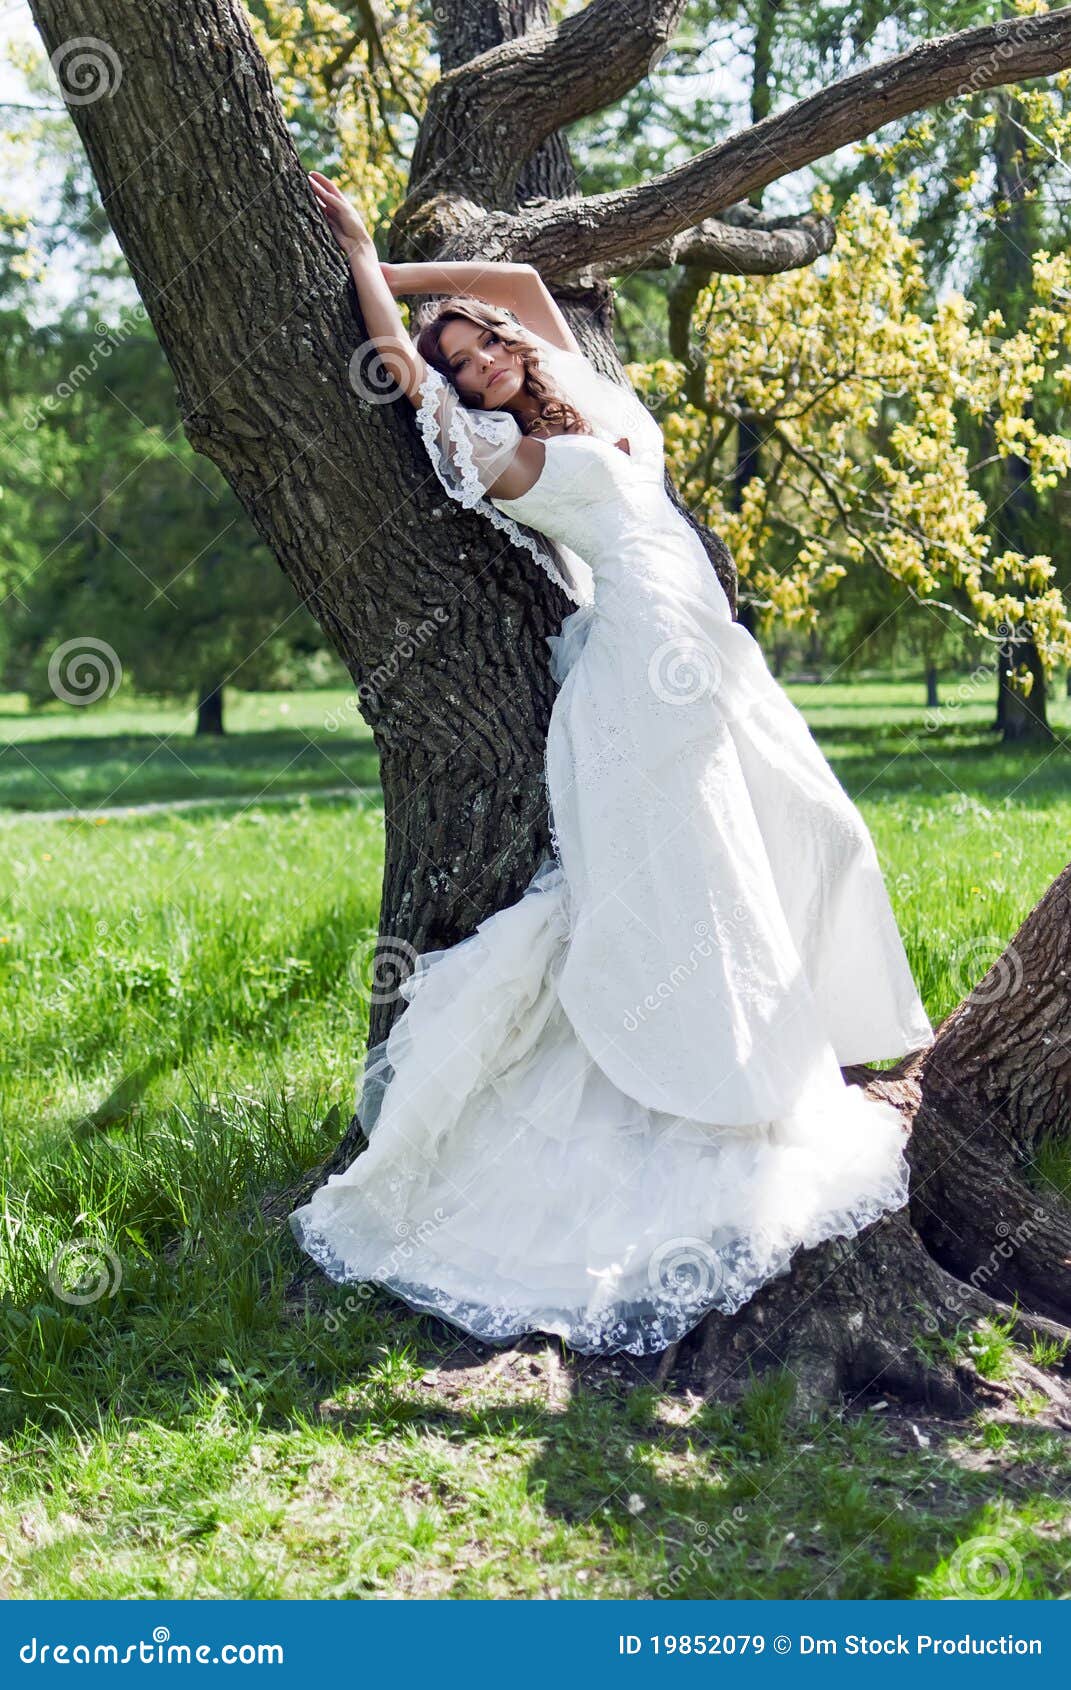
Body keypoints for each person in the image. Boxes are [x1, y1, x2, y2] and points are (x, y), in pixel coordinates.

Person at [288, 172, 935, 1357]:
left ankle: (812, 1042)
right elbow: (402, 357)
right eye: (460, 366)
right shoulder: (498, 454)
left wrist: (427, 278)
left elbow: (523, 283)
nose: (478, 364)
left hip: (716, 661)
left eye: (480, 349)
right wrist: (370, 278)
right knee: (696, 886)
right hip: (642, 675)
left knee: (824, 831)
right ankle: (714, 1095)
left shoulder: (590, 406)